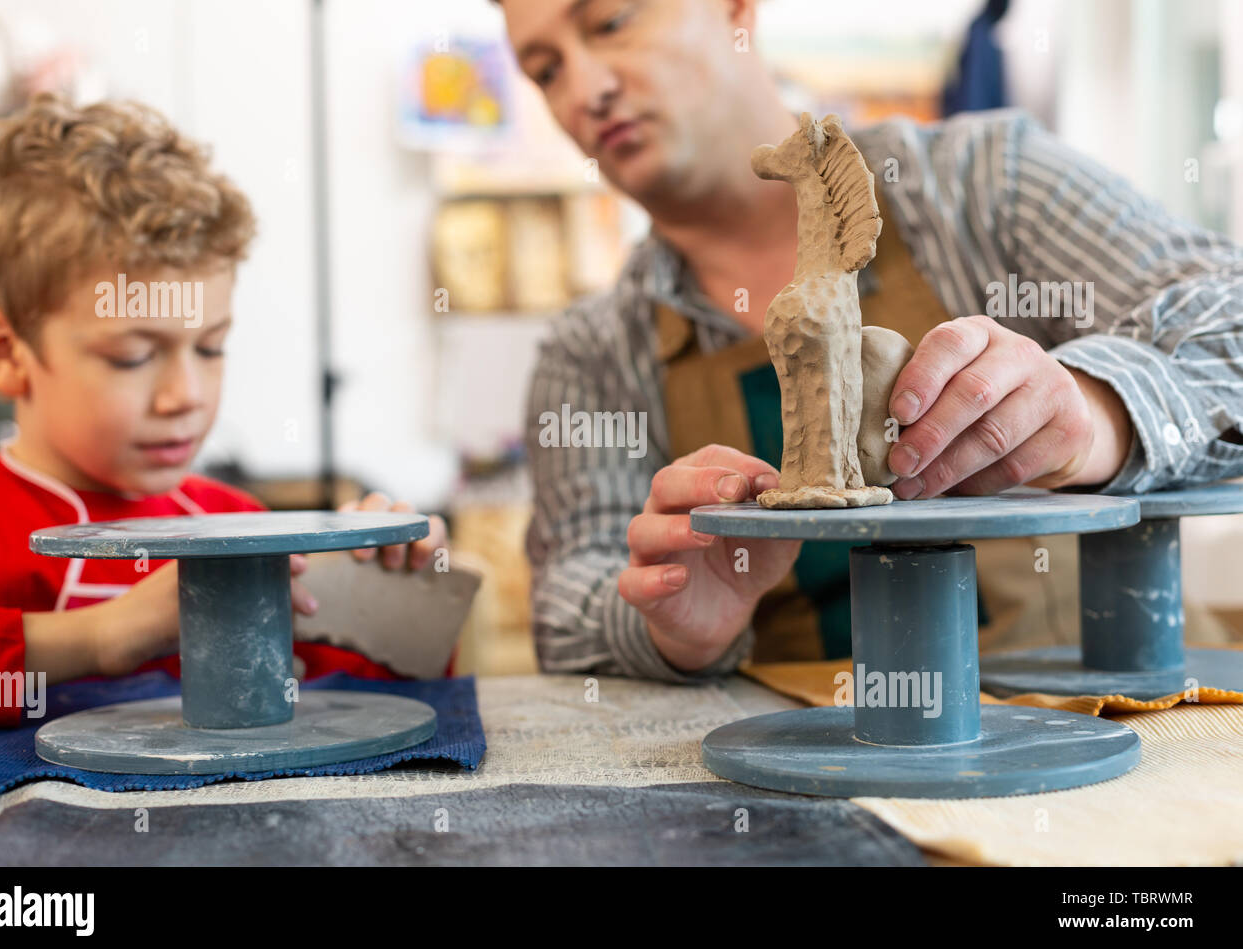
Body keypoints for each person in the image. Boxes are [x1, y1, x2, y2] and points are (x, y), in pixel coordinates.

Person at [495, 0, 1243, 680]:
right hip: (809, 773)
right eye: (545, 70)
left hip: (1110, 722)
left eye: (611, 21)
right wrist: (666, 624)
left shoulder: (986, 183)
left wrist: (1095, 413)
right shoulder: (589, 354)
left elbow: (1230, 317)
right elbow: (565, 609)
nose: (583, 90)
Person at [0, 94, 445, 725]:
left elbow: (363, 705)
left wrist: (394, 589)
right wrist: (101, 637)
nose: (186, 394)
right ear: (3, 350)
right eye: (132, 356)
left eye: (211, 347)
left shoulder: (237, 525)